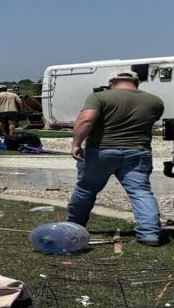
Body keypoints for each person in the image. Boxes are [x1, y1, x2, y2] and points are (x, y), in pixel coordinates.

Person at [66, 71, 167, 246]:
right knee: (140, 192)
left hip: (101, 151)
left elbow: (86, 120)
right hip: (138, 152)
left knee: (86, 190)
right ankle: (150, 234)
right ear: (136, 82)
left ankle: (74, 227)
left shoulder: (100, 97)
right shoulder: (155, 101)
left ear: (112, 82)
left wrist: (76, 144)